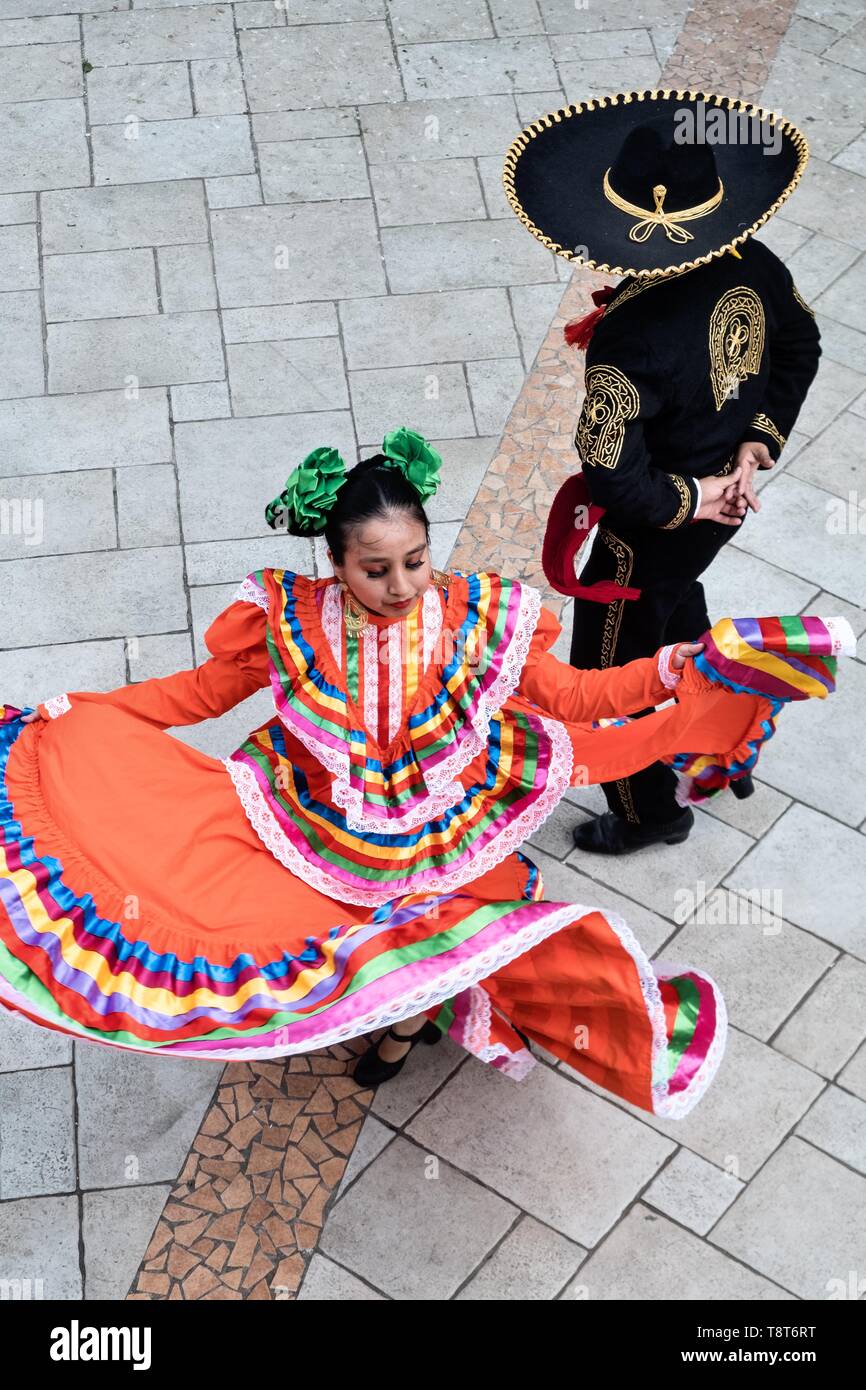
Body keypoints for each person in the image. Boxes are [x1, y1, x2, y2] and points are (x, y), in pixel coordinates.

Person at [0, 430, 842, 1119]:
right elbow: (193, 693)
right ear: (335, 564)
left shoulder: (479, 616)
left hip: (447, 825)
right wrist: (81, 712)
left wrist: (666, 672)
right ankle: (402, 1023)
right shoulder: (293, 624)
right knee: (297, 941)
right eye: (375, 569)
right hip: (317, 829)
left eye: (416, 560)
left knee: (449, 941)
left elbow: (579, 697)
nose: (401, 586)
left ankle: (406, 1030)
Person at [501, 90, 822, 855]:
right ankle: (720, 735)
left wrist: (692, 496)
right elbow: (800, 346)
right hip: (724, 500)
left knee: (612, 668)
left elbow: (616, 478)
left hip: (657, 526)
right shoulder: (755, 261)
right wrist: (754, 448)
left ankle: (651, 811)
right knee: (681, 610)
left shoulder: (630, 336)